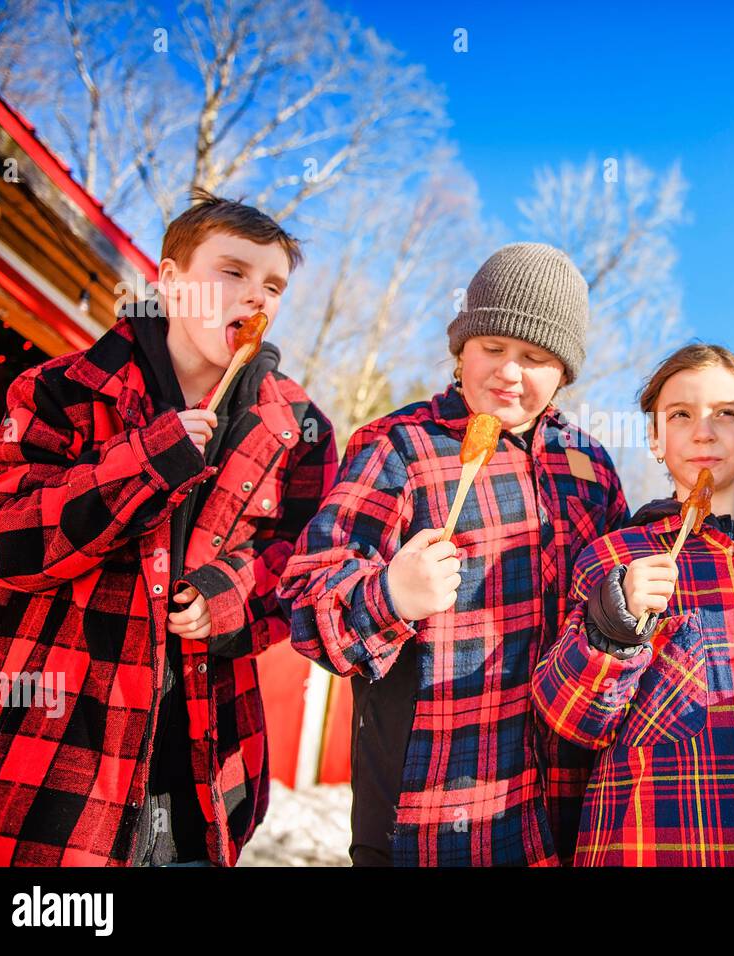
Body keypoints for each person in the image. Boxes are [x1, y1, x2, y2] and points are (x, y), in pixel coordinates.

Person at [0, 190, 336, 865]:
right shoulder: (62, 391)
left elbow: (308, 564)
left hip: (203, 780)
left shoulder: (297, 430)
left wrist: (230, 600)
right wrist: (143, 464)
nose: (256, 298)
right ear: (169, 281)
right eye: (233, 273)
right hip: (56, 767)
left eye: (272, 285)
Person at [278, 242, 628, 866]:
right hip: (428, 821)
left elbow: (611, 622)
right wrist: (389, 596)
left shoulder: (591, 469)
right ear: (461, 347)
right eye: (493, 347)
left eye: (535, 357)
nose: (510, 372)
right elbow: (305, 607)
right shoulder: (402, 447)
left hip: (568, 816)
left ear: (565, 373)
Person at [532, 343, 734, 866]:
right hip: (649, 845)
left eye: (725, 414)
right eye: (680, 415)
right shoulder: (613, 557)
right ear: (656, 440)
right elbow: (570, 720)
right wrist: (615, 622)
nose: (703, 431)